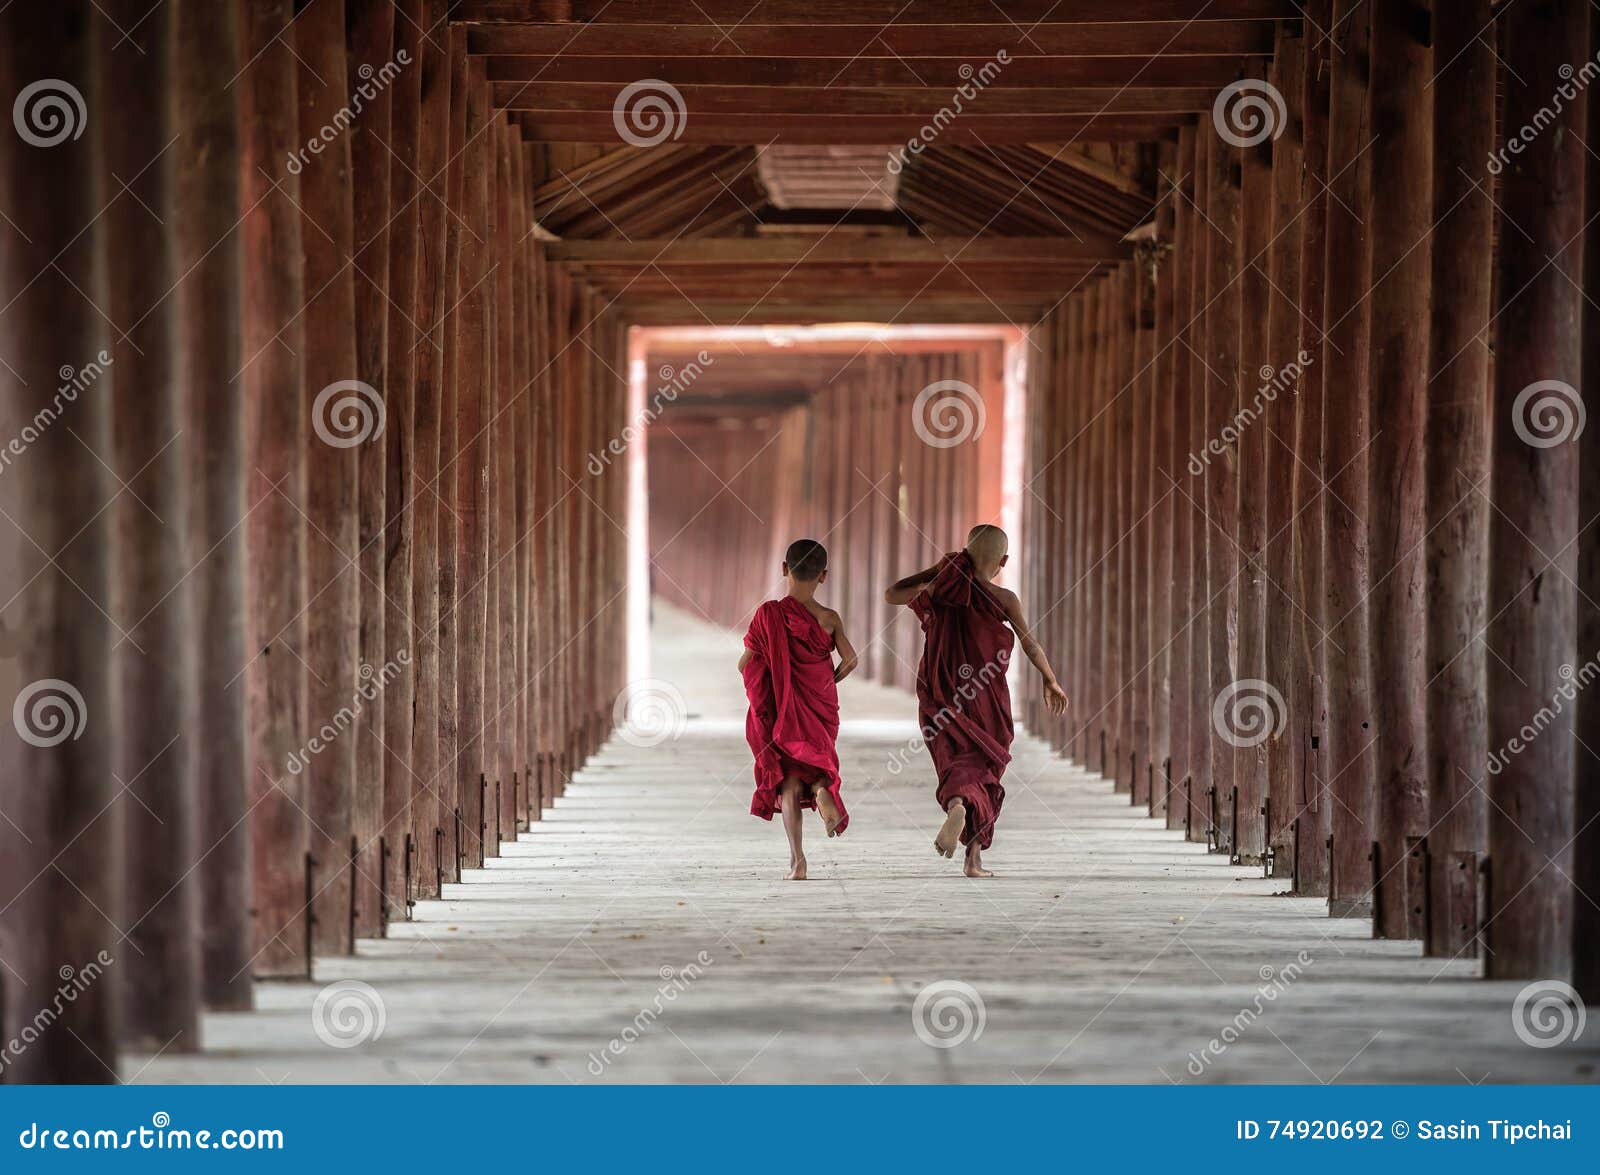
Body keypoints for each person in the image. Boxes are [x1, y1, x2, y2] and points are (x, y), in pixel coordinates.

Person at [885, 524, 1068, 877]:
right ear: (1003, 560)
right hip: (987, 699)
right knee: (985, 771)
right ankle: (974, 859)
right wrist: (1050, 678)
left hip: (943, 697)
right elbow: (1030, 642)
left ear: (964, 555)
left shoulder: (941, 589)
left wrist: (938, 570)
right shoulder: (1004, 599)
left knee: (954, 762)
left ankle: (957, 806)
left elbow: (893, 593)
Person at [741, 539, 859, 881]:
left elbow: (744, 664)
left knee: (789, 782)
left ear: (784, 570)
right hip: (821, 705)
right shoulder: (829, 618)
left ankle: (798, 862)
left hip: (783, 710)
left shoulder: (768, 615)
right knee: (819, 766)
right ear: (823, 576)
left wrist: (770, 671)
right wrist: (828, 681)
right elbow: (851, 659)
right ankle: (823, 791)